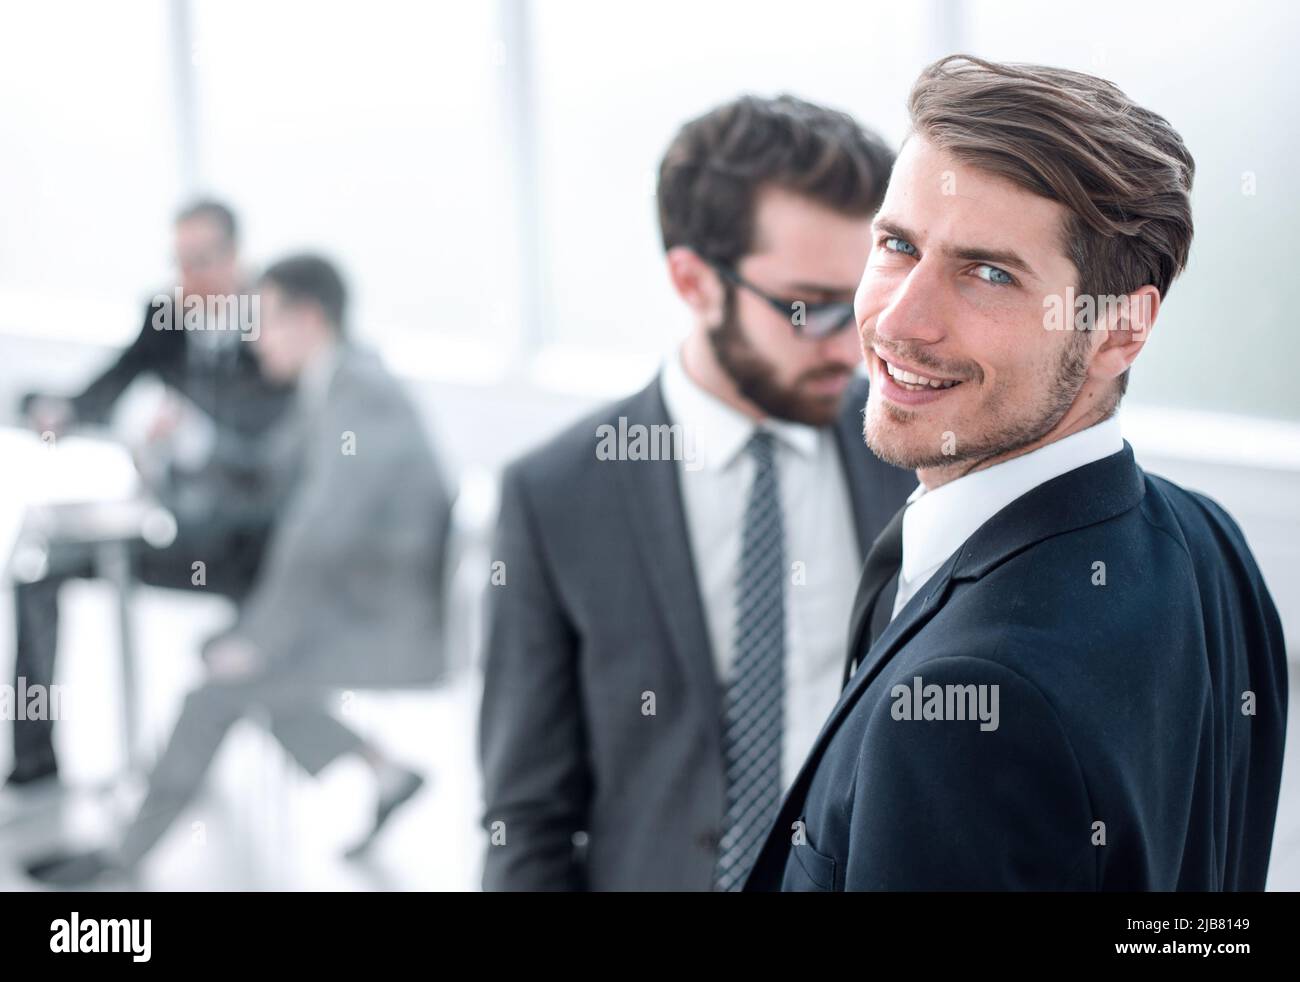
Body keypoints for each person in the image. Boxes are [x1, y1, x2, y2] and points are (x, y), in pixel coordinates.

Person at [744, 56, 1288, 891]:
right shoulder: (1210, 539)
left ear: (1118, 331)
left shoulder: (959, 708)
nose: (898, 318)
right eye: (897, 245)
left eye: (988, 273)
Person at [479, 95, 916, 891]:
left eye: (867, 298)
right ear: (693, 281)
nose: (856, 346)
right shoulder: (556, 497)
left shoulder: (921, 451)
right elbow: (526, 816)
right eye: (811, 308)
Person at [26, 254, 453, 884]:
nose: (252, 337)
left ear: (307, 319)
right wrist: (191, 444)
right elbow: (264, 469)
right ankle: (385, 771)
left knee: (217, 691)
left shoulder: (361, 395)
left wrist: (256, 639)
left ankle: (121, 859)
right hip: (353, 599)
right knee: (252, 678)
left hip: (382, 620)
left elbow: (319, 533)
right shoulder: (335, 382)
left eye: (263, 320)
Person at [7, 199, 292, 788]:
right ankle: (35, 764)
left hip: (248, 541)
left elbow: (276, 459)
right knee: (37, 567)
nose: (188, 277)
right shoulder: (168, 317)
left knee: (252, 652)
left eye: (202, 260)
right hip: (171, 528)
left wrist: (192, 438)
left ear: (237, 257)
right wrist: (52, 408)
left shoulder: (277, 325)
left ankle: (178, 781)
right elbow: (105, 389)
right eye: (180, 261)